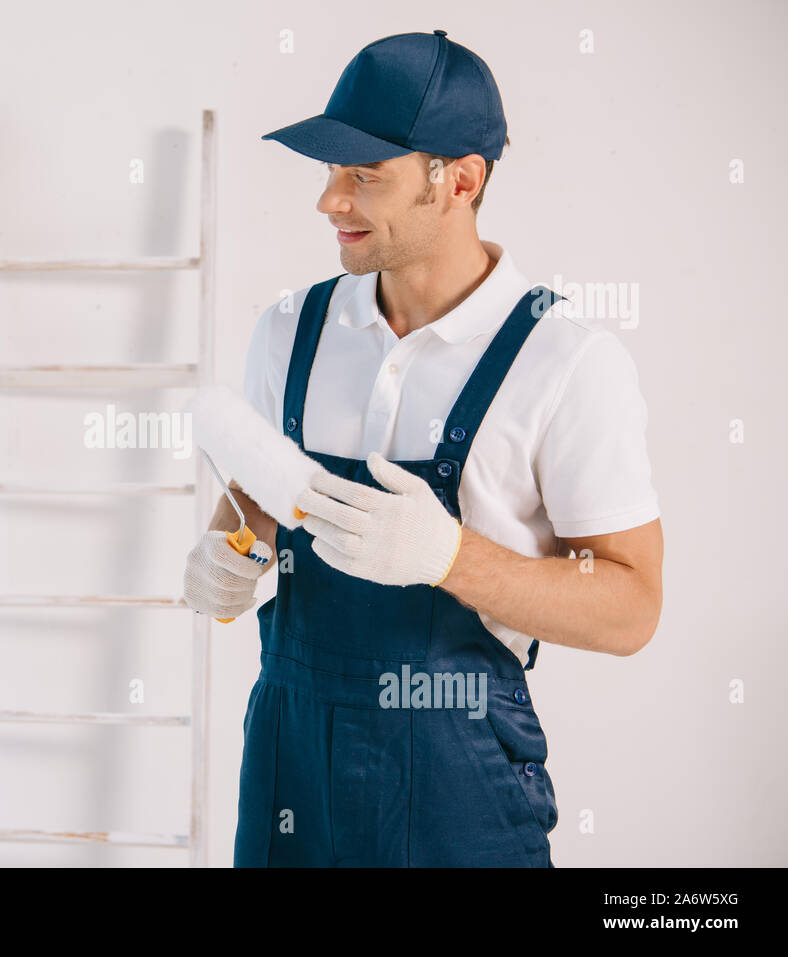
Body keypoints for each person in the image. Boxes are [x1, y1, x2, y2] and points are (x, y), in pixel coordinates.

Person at [183, 30, 664, 866]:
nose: (330, 201)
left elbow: (631, 608)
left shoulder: (567, 362)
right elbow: (260, 494)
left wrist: (448, 557)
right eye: (329, 172)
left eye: (364, 176)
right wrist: (231, 546)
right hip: (289, 765)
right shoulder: (290, 330)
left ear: (461, 180)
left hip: (457, 788)